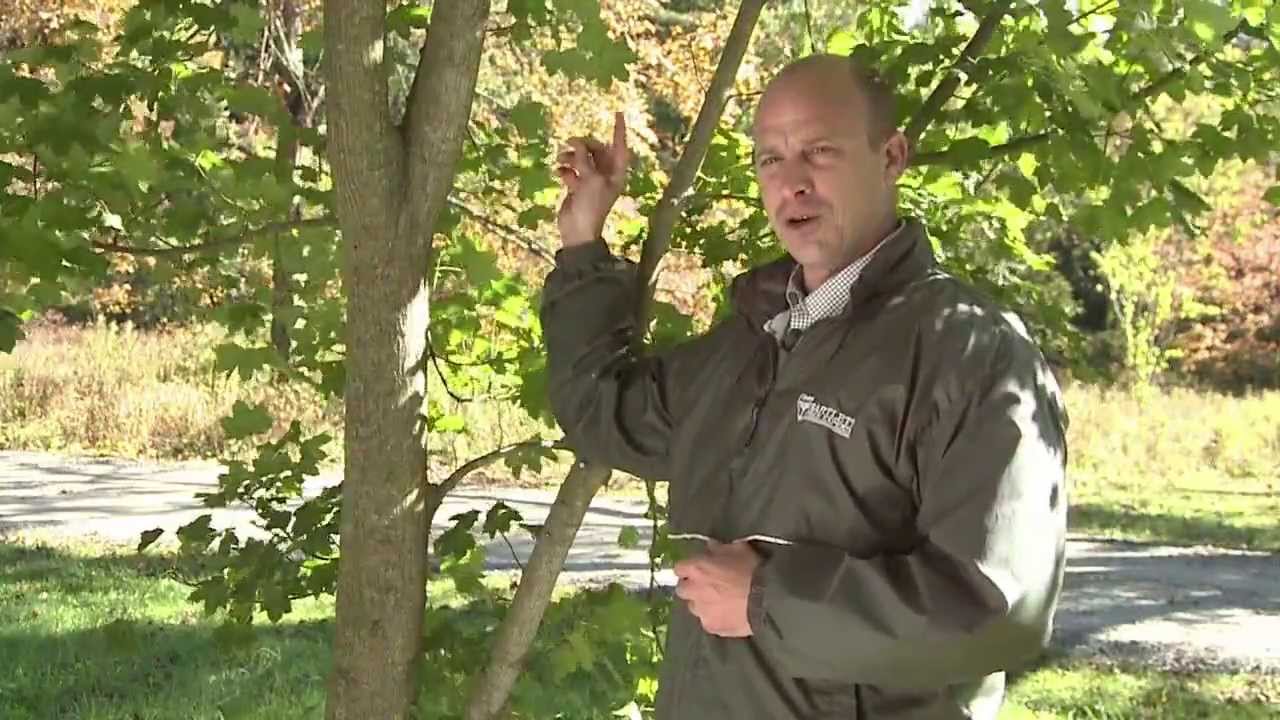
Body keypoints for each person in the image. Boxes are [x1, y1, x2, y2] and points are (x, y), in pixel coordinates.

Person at [541, 53, 1069, 720]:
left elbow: (1002, 609)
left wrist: (768, 600)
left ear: (892, 156)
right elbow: (603, 411)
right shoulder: (751, 342)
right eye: (769, 159)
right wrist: (582, 240)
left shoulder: (969, 352)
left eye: (819, 152)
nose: (791, 182)